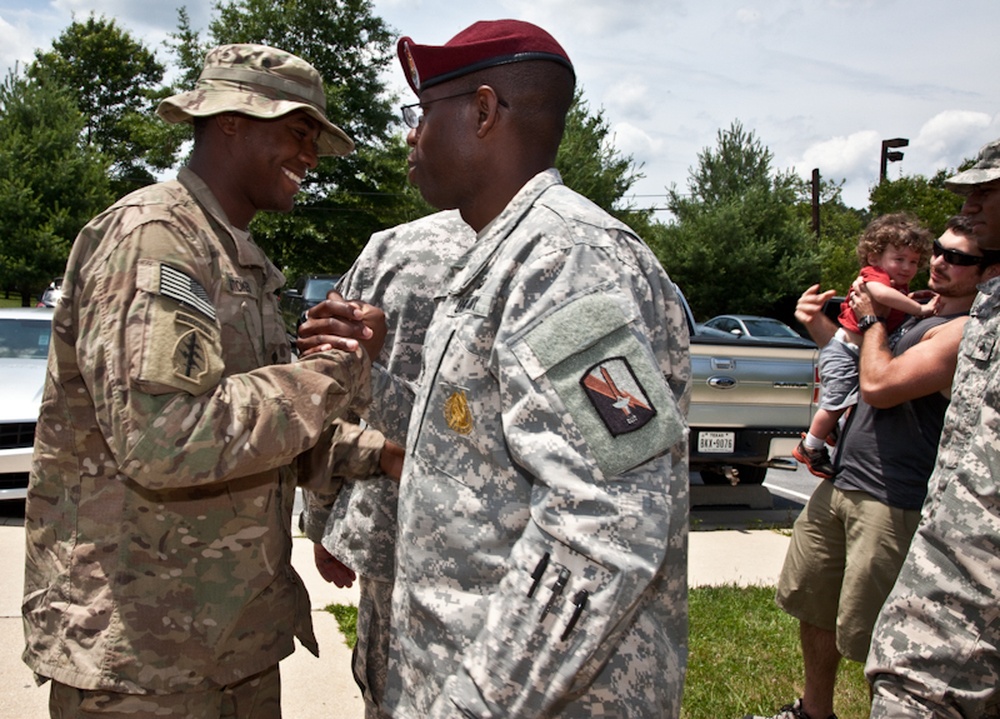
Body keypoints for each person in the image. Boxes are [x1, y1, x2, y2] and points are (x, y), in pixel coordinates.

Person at [301, 18, 692, 718]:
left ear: (483, 112)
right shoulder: (503, 256)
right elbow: (471, 443)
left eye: (423, 113)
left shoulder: (568, 262)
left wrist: (479, 700)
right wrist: (372, 377)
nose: (412, 137)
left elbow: (606, 522)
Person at [21, 44, 388, 718]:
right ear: (231, 121)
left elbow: (264, 438)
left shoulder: (237, 261)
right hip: (143, 664)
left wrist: (380, 452)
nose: (310, 156)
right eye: (297, 131)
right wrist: (332, 370)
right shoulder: (155, 240)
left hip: (228, 648)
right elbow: (167, 437)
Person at [746, 215, 994, 719]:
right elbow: (855, 363)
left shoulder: (962, 331)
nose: (940, 261)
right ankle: (815, 712)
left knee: (880, 633)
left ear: (987, 273)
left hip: (890, 497)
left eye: (959, 257)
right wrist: (818, 324)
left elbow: (880, 385)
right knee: (814, 606)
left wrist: (875, 320)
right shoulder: (917, 316)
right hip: (844, 481)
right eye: (940, 251)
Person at [301, 210, 475, 719]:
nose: (410, 137)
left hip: (391, 535)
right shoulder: (553, 249)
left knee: (392, 699)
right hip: (506, 554)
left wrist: (321, 522)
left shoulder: (390, 251)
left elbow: (328, 396)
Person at [866, 139, 1000, 718]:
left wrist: (873, 319)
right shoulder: (985, 306)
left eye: (986, 193)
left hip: (967, 598)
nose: (967, 206)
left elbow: (880, 383)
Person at [794, 213, 937, 479]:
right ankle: (810, 446)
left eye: (914, 262)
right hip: (844, 351)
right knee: (834, 402)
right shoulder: (874, 277)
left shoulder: (898, 286)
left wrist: (909, 300)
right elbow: (881, 296)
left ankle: (832, 431)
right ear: (874, 258)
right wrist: (920, 309)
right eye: (899, 259)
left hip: (856, 353)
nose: (907, 267)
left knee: (848, 399)